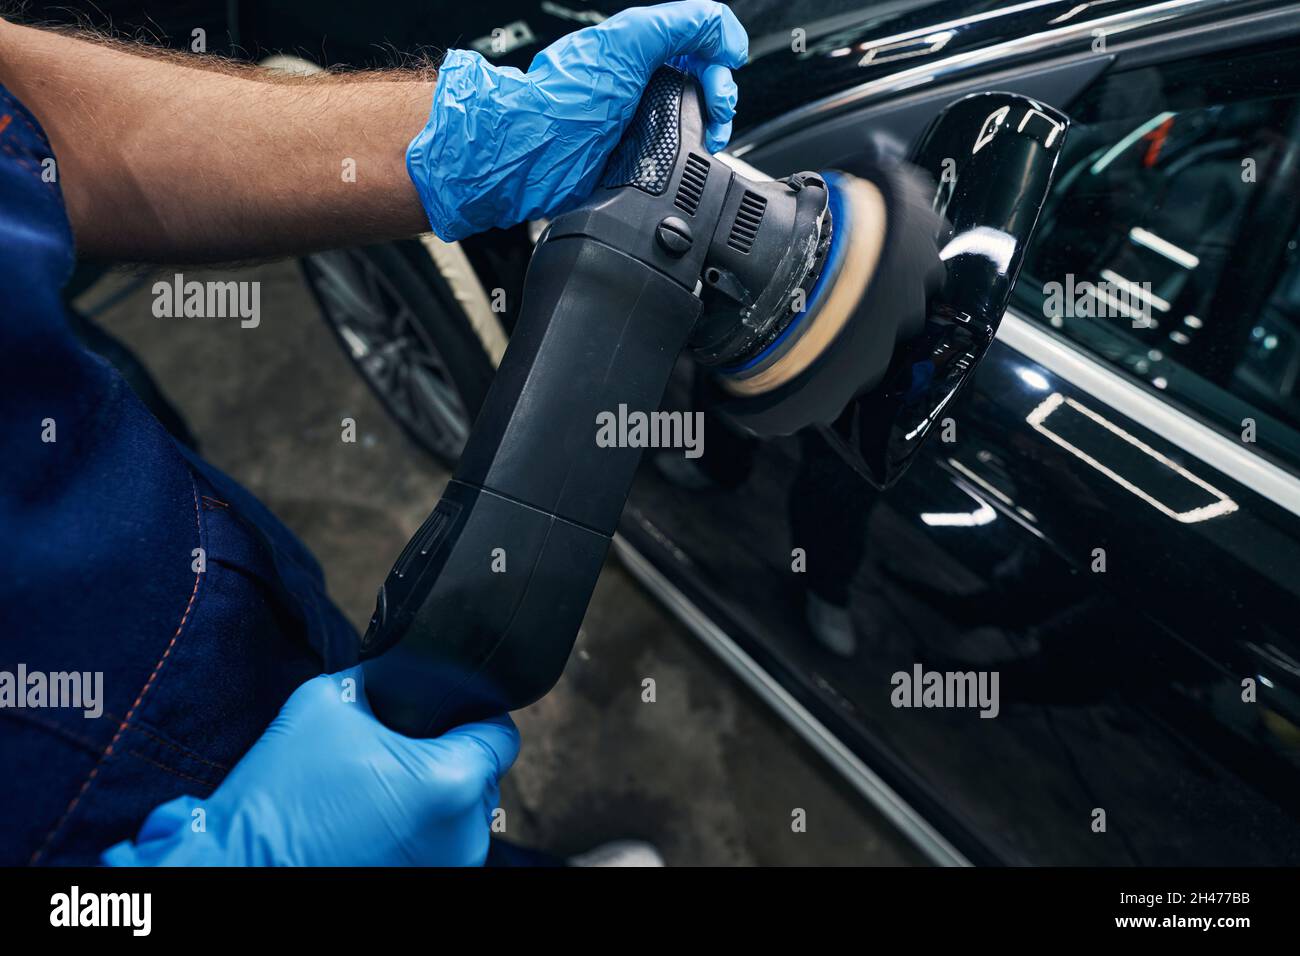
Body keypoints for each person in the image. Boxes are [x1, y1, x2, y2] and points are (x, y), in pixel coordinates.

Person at [0, 1, 747, 866]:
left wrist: (476, 138)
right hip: (84, 822)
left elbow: (39, 134)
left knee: (422, 800)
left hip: (206, 617)